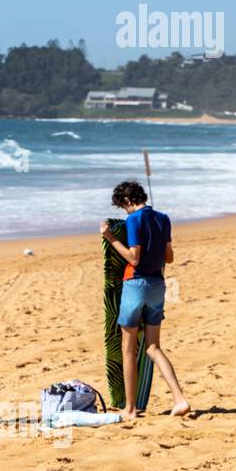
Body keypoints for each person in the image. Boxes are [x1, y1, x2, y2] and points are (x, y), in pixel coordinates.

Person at [99, 180, 191, 420]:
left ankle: (130, 409)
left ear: (128, 201)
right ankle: (179, 399)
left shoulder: (134, 220)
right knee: (153, 347)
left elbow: (134, 258)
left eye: (123, 206)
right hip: (157, 286)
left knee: (128, 348)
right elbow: (169, 257)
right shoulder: (164, 218)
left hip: (135, 285)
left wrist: (110, 237)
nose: (125, 211)